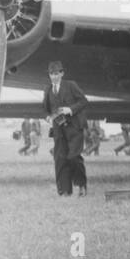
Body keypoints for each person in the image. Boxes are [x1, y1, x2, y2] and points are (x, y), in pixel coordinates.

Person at [41, 61, 89, 196]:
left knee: (74, 157)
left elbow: (84, 101)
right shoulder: (48, 89)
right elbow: (45, 109)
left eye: (56, 74)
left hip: (74, 128)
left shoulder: (71, 85)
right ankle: (65, 191)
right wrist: (48, 117)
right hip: (58, 130)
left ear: (62, 73)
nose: (54, 77)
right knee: (60, 159)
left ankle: (81, 186)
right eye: (51, 74)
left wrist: (70, 109)